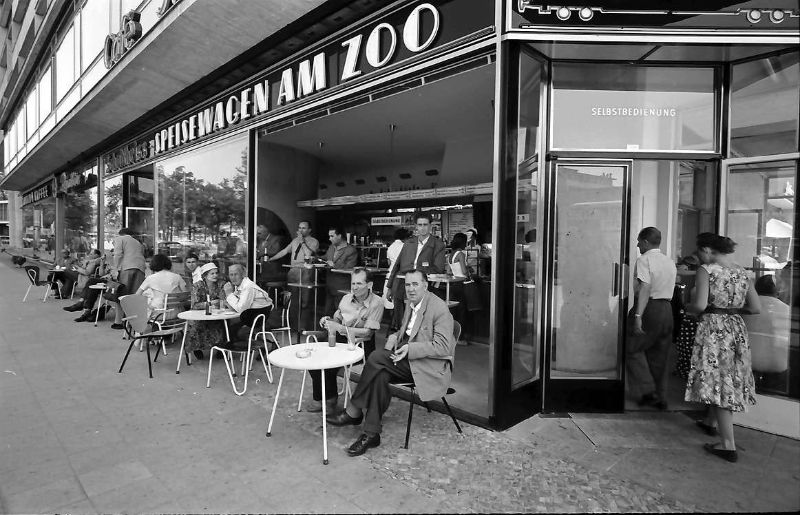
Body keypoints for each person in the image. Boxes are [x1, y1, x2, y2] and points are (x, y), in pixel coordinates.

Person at [328, 270, 455, 457]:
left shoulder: (439, 308)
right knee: (380, 374)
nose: (410, 289)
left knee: (375, 358)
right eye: (407, 284)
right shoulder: (412, 304)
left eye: (415, 284)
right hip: (406, 359)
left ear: (426, 285)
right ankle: (371, 434)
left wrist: (410, 349)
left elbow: (443, 347)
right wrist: (396, 338)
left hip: (427, 366)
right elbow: (405, 332)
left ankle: (353, 410)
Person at [685, 234, 760, 463]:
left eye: (699, 251)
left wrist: (687, 307)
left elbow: (699, 305)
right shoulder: (742, 272)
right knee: (729, 377)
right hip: (736, 328)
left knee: (717, 380)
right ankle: (711, 423)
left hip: (714, 328)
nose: (699, 256)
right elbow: (756, 308)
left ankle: (728, 445)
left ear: (707, 250)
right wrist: (732, 310)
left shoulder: (707, 270)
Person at [307, 268, 385, 413]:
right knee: (313, 357)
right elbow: (337, 319)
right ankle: (323, 397)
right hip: (341, 340)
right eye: (353, 283)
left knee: (329, 363)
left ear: (369, 285)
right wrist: (327, 320)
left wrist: (341, 329)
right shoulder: (346, 299)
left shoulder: (377, 303)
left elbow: (368, 333)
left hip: (361, 345)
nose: (354, 287)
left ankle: (330, 400)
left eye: (359, 284)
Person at [627, 227, 677, 410]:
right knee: (660, 354)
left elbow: (645, 288)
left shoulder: (644, 259)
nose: (638, 245)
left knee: (631, 348)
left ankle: (648, 391)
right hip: (667, 308)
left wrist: (638, 315)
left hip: (650, 307)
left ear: (646, 242)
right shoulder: (669, 261)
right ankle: (662, 396)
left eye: (639, 241)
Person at [385, 213, 446, 329]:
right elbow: (396, 265)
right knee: (401, 321)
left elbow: (438, 268)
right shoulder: (408, 243)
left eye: (425, 225)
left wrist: (418, 272)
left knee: (417, 323)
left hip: (422, 287)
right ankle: (401, 344)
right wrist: (389, 287)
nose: (422, 228)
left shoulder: (438, 244)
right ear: (415, 226)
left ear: (430, 226)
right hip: (401, 285)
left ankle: (414, 346)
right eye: (420, 225)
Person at [267, 221, 319, 331]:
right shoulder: (295, 240)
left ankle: (303, 326)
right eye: (299, 228)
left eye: (304, 228)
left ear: (309, 230)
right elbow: (285, 251)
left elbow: (308, 255)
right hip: (293, 271)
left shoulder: (314, 241)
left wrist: (303, 242)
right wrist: (270, 259)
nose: (301, 230)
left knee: (305, 301)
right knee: (294, 300)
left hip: (305, 271)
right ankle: (294, 326)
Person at [744, 275, 790, 375]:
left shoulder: (745, 309)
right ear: (778, 292)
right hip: (779, 365)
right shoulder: (787, 310)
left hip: (747, 364)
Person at [186, 263, 227, 360]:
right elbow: (195, 305)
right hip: (199, 315)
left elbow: (223, 300)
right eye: (212, 273)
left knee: (222, 323)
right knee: (198, 325)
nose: (215, 275)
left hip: (216, 314)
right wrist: (210, 303)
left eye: (216, 273)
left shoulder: (221, 284)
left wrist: (220, 303)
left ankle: (221, 348)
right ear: (205, 275)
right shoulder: (197, 286)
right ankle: (196, 348)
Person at [222, 264, 273, 341]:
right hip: (253, 316)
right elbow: (238, 305)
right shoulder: (239, 285)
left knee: (231, 328)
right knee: (226, 325)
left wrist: (229, 294)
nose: (233, 277)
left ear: (242, 275)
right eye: (231, 275)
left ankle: (266, 345)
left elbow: (241, 308)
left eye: (236, 274)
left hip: (261, 319)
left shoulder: (248, 286)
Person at [110, 228, 147, 329]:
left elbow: (117, 255)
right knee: (135, 296)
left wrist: (115, 269)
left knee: (121, 294)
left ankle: (118, 322)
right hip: (140, 269)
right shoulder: (138, 243)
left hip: (126, 268)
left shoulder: (120, 239)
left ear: (121, 233)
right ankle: (133, 322)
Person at [323, 226, 358, 317]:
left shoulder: (350, 250)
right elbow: (325, 258)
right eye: (329, 236)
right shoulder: (331, 248)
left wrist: (334, 266)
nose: (329, 239)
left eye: (332, 236)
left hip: (342, 287)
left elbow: (349, 267)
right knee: (327, 314)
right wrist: (315, 259)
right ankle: (329, 331)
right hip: (329, 285)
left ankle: (340, 331)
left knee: (341, 314)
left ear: (339, 236)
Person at [63, 249, 107, 318]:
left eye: (92, 254)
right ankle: (66, 293)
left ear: (96, 255)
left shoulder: (95, 262)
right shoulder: (93, 261)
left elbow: (87, 272)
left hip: (84, 277)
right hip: (85, 277)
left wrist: (77, 268)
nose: (90, 255)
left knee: (66, 271)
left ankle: (65, 293)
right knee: (68, 277)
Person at [382, 228, 411, 309]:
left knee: (388, 303)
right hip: (400, 276)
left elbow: (389, 263)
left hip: (389, 275)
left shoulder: (390, 247)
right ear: (405, 237)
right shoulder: (405, 246)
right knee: (399, 304)